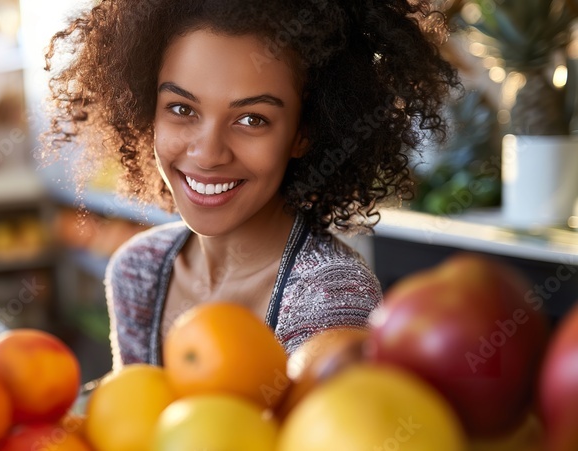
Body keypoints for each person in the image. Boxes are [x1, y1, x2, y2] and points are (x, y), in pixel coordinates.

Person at [43, 0, 459, 368]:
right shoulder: (139, 271)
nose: (208, 154)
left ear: (303, 133)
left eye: (251, 119)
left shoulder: (330, 297)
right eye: (181, 108)